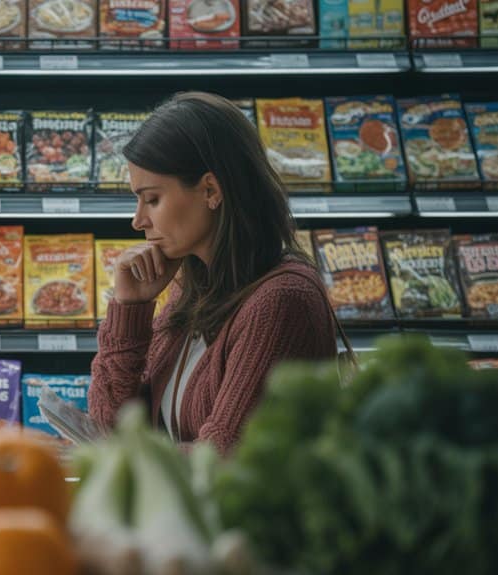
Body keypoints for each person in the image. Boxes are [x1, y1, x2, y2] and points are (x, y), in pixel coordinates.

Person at [89, 91, 340, 454]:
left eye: (152, 199)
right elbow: (107, 425)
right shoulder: (194, 290)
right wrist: (131, 307)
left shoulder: (281, 301)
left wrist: (122, 459)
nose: (138, 220)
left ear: (210, 190)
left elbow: (222, 459)